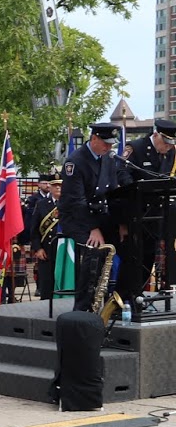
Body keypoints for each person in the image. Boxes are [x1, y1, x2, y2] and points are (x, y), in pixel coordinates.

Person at [59, 121, 133, 309]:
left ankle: (121, 297)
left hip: (100, 214)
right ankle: (84, 306)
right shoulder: (75, 162)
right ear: (94, 139)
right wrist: (93, 228)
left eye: (111, 144)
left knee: (131, 246)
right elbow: (76, 201)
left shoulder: (107, 158)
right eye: (106, 143)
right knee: (96, 251)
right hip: (77, 218)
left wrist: (122, 224)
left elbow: (113, 191)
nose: (109, 147)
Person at [117, 119, 175, 299]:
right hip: (136, 214)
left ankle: (138, 297)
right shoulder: (136, 148)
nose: (168, 147)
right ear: (156, 135)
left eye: (171, 143)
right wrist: (135, 188)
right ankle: (123, 299)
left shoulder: (169, 153)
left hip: (156, 216)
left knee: (149, 257)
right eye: (165, 142)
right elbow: (121, 172)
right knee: (132, 259)